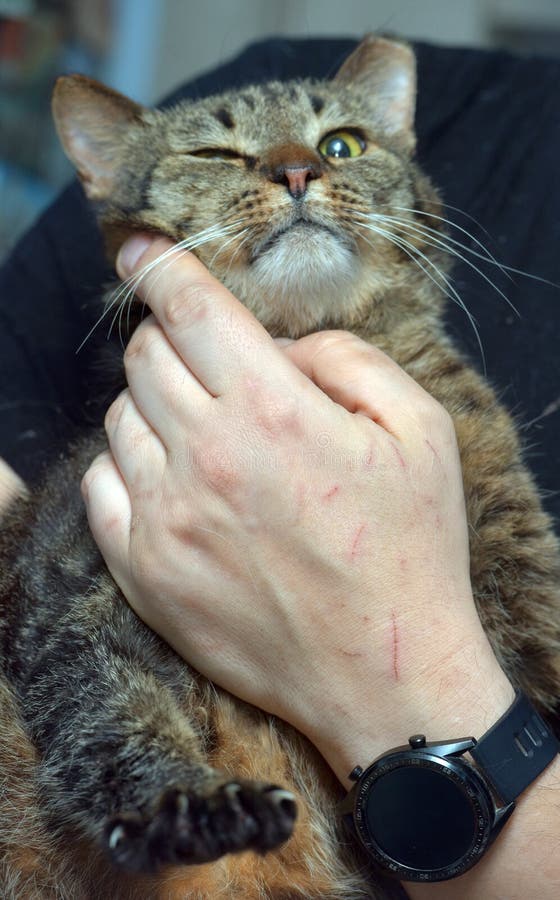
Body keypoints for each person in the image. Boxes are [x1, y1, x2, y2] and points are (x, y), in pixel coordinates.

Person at [1, 36, 559, 898]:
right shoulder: (112, 462)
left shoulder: (461, 418)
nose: (296, 170)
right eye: (220, 155)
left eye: (341, 145)